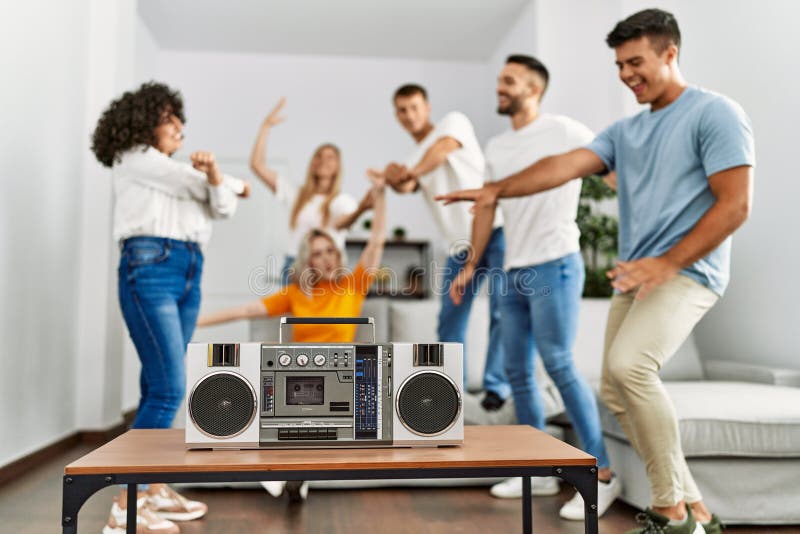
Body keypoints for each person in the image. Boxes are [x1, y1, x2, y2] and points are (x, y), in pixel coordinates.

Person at [438, 9, 754, 534]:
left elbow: (735, 205)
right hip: (638, 276)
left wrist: (668, 261)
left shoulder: (714, 113)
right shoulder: (625, 131)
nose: (627, 74)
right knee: (612, 386)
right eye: (619, 65)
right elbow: (561, 167)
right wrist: (497, 190)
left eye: (636, 62)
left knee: (630, 368)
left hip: (688, 271)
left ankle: (672, 512)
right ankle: (698, 512)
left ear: (669, 52)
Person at [448, 54, 621, 519]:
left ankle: (602, 472)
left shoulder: (565, 130)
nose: (499, 88)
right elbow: (487, 206)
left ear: (534, 87)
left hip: (555, 262)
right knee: (518, 372)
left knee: (559, 362)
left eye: (509, 80)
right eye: (499, 80)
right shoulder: (498, 145)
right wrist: (471, 265)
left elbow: (612, 172)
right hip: (513, 269)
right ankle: (539, 470)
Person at [91, 81, 251, 534]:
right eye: (168, 119)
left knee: (155, 386)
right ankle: (126, 504)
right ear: (143, 124)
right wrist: (227, 180)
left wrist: (220, 181)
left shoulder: (170, 170)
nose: (179, 126)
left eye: (180, 119)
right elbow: (211, 189)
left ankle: (153, 486)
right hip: (151, 268)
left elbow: (222, 208)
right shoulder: (135, 160)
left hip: (187, 271)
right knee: (168, 389)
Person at [197, 175, 386, 502]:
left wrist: (380, 197)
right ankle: (292, 471)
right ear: (307, 260)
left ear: (338, 256)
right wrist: (195, 323)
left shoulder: (353, 285)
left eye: (330, 251)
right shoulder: (297, 293)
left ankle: (294, 470)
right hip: (300, 377)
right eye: (317, 254)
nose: (326, 258)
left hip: (342, 378)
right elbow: (247, 309)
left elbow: (377, 241)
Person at [373, 84, 511, 411]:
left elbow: (440, 152)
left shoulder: (453, 122)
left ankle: (496, 386)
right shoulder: (411, 159)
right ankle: (454, 392)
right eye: (402, 110)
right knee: (449, 319)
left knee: (503, 310)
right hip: (459, 247)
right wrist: (393, 177)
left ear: (427, 107)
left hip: (497, 228)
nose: (409, 115)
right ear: (397, 116)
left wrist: (408, 172)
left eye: (414, 107)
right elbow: (405, 185)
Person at [250, 98, 370, 284]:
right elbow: (257, 165)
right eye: (319, 156)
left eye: (330, 157)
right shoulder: (296, 194)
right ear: (312, 163)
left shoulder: (342, 201)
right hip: (295, 266)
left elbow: (342, 222)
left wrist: (362, 208)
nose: (323, 160)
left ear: (338, 167)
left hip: (327, 271)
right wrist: (265, 126)